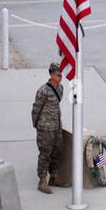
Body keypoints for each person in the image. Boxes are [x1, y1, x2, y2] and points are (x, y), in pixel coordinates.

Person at [31, 63, 65, 192]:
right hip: (45, 128)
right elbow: (36, 109)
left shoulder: (60, 88)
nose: (60, 77)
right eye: (58, 75)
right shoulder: (43, 91)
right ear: (51, 75)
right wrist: (37, 125)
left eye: (61, 74)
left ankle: (54, 176)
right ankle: (42, 180)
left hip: (56, 126)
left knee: (57, 151)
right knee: (45, 154)